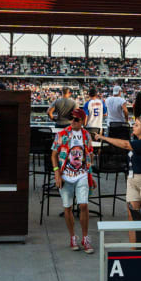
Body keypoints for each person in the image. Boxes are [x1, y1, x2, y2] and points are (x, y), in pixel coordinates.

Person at [97, 93, 141, 242]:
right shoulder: (138, 140)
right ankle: (134, 249)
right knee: (132, 214)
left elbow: (126, 145)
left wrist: (103, 138)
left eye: (137, 125)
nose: (133, 126)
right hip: (134, 179)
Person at [54, 107, 95, 254]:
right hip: (65, 175)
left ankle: (85, 238)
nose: (72, 121)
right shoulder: (62, 134)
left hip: (82, 174)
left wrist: (90, 175)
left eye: (76, 119)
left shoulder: (86, 135)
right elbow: (53, 154)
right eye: (71, 118)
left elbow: (90, 155)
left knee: (83, 205)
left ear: (82, 121)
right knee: (67, 207)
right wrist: (57, 173)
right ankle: (72, 237)